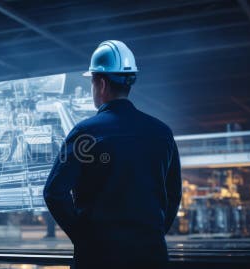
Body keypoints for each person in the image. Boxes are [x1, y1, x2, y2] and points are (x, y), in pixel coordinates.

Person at [42, 40, 182, 267]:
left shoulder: (86, 132)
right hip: (151, 255)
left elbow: (54, 192)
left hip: (98, 257)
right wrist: (151, 234)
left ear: (102, 84)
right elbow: (173, 194)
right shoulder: (162, 133)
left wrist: (84, 238)